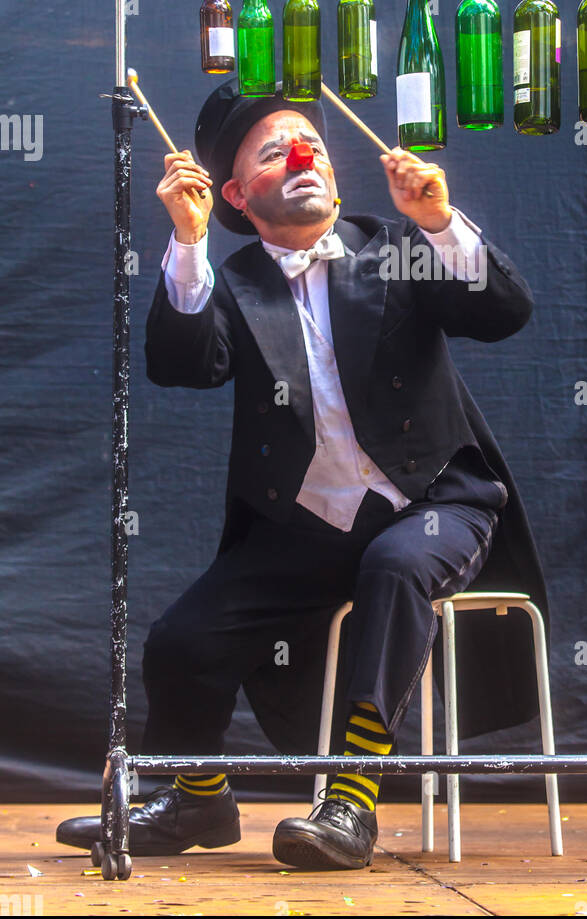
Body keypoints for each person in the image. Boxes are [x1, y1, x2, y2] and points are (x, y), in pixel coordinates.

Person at [57, 81, 549, 870]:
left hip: (432, 504)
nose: (300, 154)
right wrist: (188, 244)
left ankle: (352, 799)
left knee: (395, 567)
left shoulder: (391, 243)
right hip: (308, 527)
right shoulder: (239, 278)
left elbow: (505, 311)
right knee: (180, 640)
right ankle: (196, 797)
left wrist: (437, 221)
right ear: (236, 193)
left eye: (310, 143)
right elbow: (185, 363)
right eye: (271, 152)